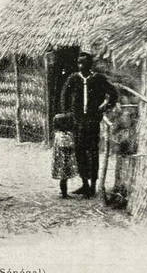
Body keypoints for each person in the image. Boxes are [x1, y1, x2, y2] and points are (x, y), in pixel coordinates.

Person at [59, 51, 118, 198]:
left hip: (92, 121)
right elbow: (64, 96)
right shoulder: (73, 78)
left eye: (84, 63)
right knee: (80, 152)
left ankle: (92, 186)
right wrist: (67, 113)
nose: (81, 66)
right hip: (78, 122)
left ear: (90, 64)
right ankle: (84, 184)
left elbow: (113, 93)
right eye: (79, 63)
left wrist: (105, 106)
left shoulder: (98, 79)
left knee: (92, 152)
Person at [50, 112, 78, 199]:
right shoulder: (61, 135)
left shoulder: (62, 134)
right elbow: (65, 146)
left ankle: (64, 192)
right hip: (64, 160)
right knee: (64, 177)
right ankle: (64, 194)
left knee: (64, 178)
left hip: (64, 159)